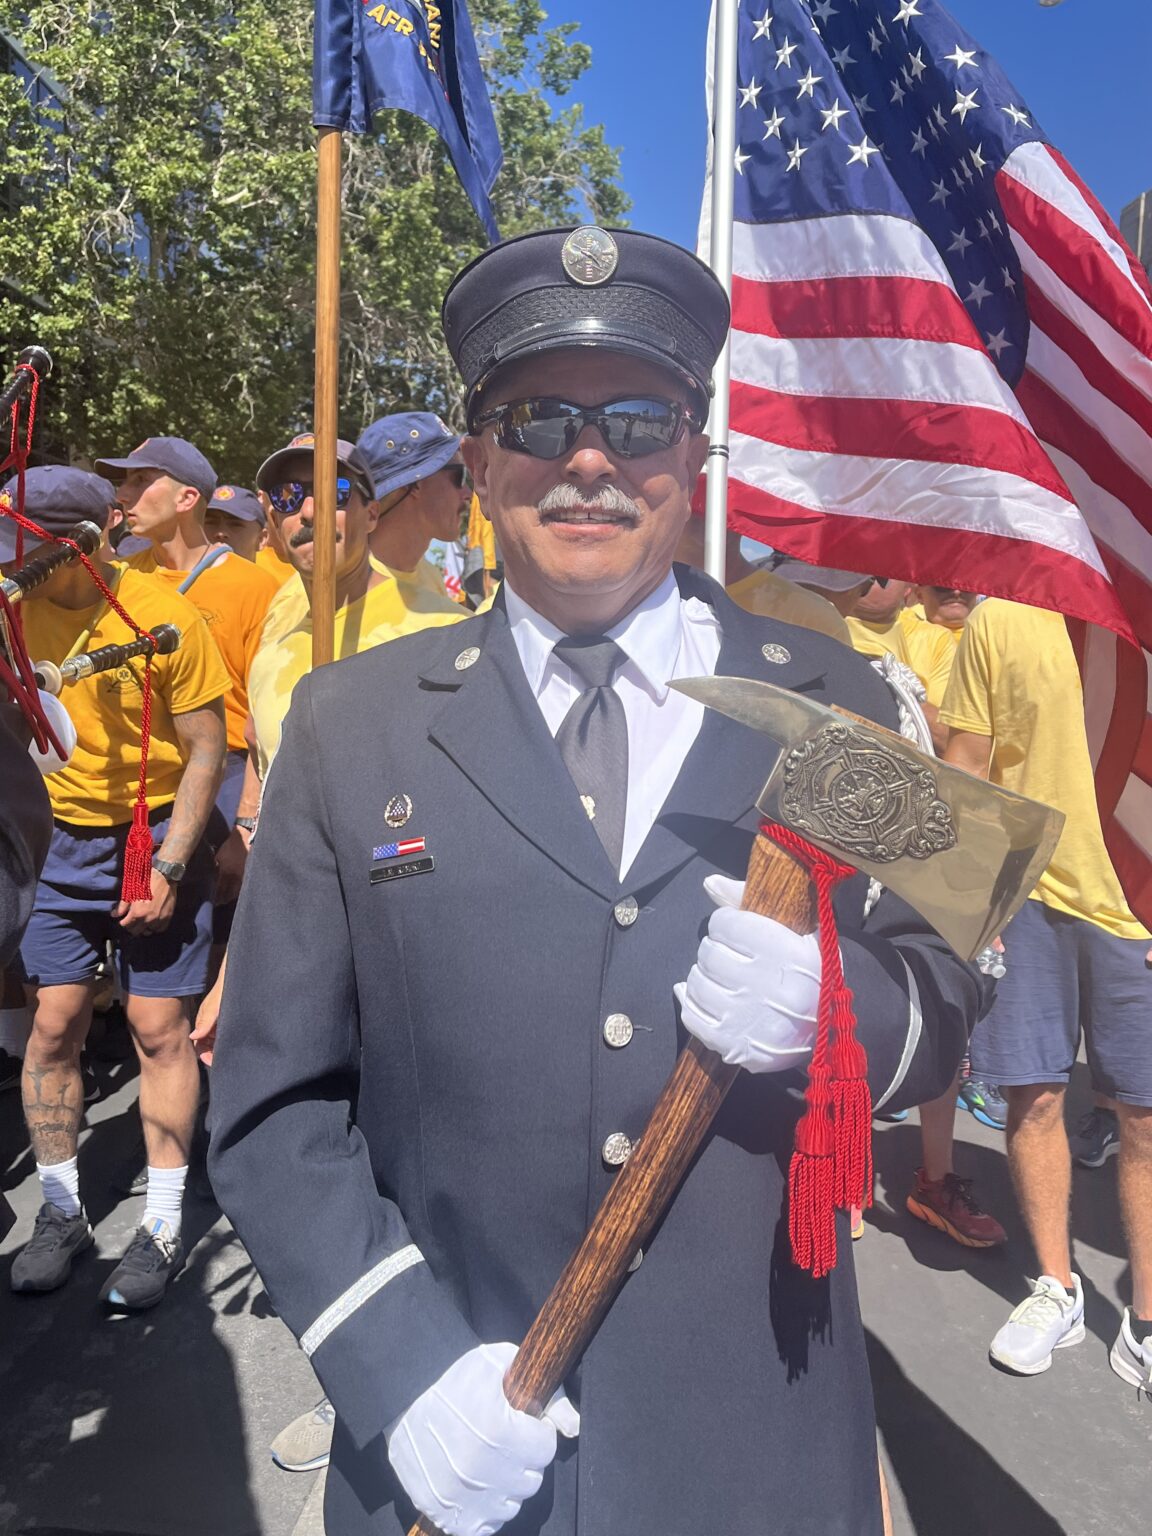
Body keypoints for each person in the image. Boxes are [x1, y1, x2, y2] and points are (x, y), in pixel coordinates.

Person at [207, 225, 979, 1536]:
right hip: (462, 1448)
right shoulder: (348, 724)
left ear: (694, 452)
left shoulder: (847, 701)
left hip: (755, 1450)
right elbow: (274, 1106)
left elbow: (948, 993)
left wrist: (834, 1022)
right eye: (538, 418)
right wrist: (400, 1370)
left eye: (636, 418)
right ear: (477, 459)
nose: (587, 460)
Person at [7, 466, 228, 1308]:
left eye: (26, 549)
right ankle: (61, 1209)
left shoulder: (166, 616)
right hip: (52, 841)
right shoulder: (12, 613)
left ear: (82, 544)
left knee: (156, 1026)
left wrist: (171, 865)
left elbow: (206, 749)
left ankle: (163, 1221)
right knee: (54, 1022)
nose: (12, 563)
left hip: (154, 830)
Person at [940, 598, 1152, 1385]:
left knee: (1144, 1115)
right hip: (1029, 898)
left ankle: (1146, 1320)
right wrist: (973, 902)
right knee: (1031, 1098)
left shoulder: (1135, 586)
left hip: (1139, 906)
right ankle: (1056, 1287)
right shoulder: (1001, 616)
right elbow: (966, 762)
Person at [95, 437, 277, 931]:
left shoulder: (256, 587)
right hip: (136, 778)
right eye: (122, 482)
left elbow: (264, 712)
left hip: (226, 775)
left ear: (186, 498)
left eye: (140, 480)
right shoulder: (118, 577)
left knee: (213, 940)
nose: (124, 495)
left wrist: (245, 825)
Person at [674, 513, 851, 641]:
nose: (708, 496)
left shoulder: (815, 618)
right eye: (693, 483)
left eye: (722, 485)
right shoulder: (646, 598)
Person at [359, 411, 475, 602]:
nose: (468, 494)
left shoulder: (431, 578)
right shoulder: (338, 590)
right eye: (459, 477)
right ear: (415, 484)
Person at [203, 483, 265, 562]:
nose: (221, 533)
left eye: (235, 525)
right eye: (211, 522)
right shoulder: (185, 574)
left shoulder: (271, 574)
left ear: (261, 539)